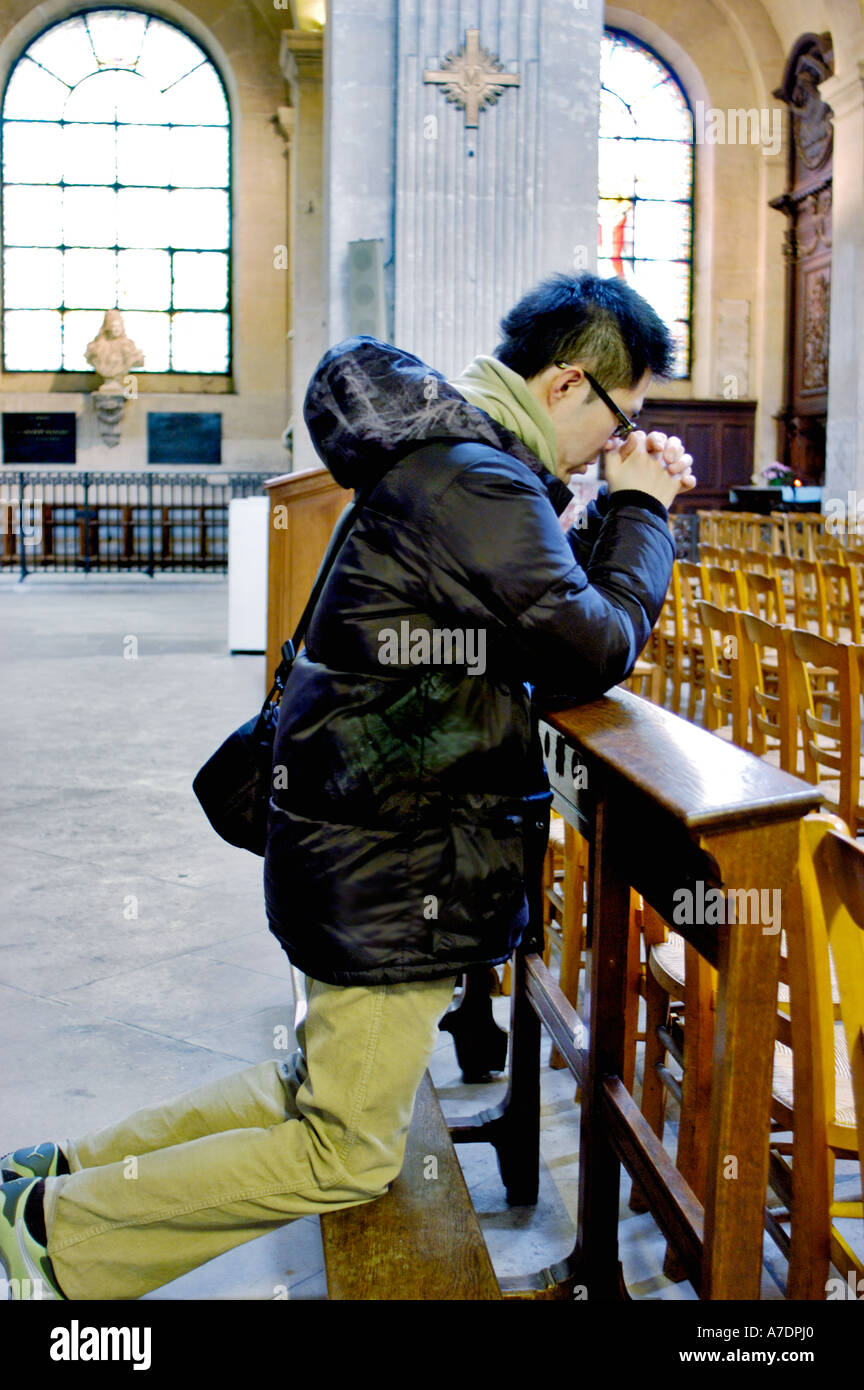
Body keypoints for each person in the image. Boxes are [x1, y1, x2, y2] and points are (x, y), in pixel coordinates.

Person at [0, 272, 694, 1300]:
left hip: (362, 844)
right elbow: (591, 643)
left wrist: (604, 508)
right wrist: (641, 508)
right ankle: (56, 1236)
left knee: (312, 1092)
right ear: (568, 382)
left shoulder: (458, 465)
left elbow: (538, 609)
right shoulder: (477, 482)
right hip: (391, 855)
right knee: (349, 1149)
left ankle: (52, 1174)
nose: (617, 438)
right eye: (621, 414)